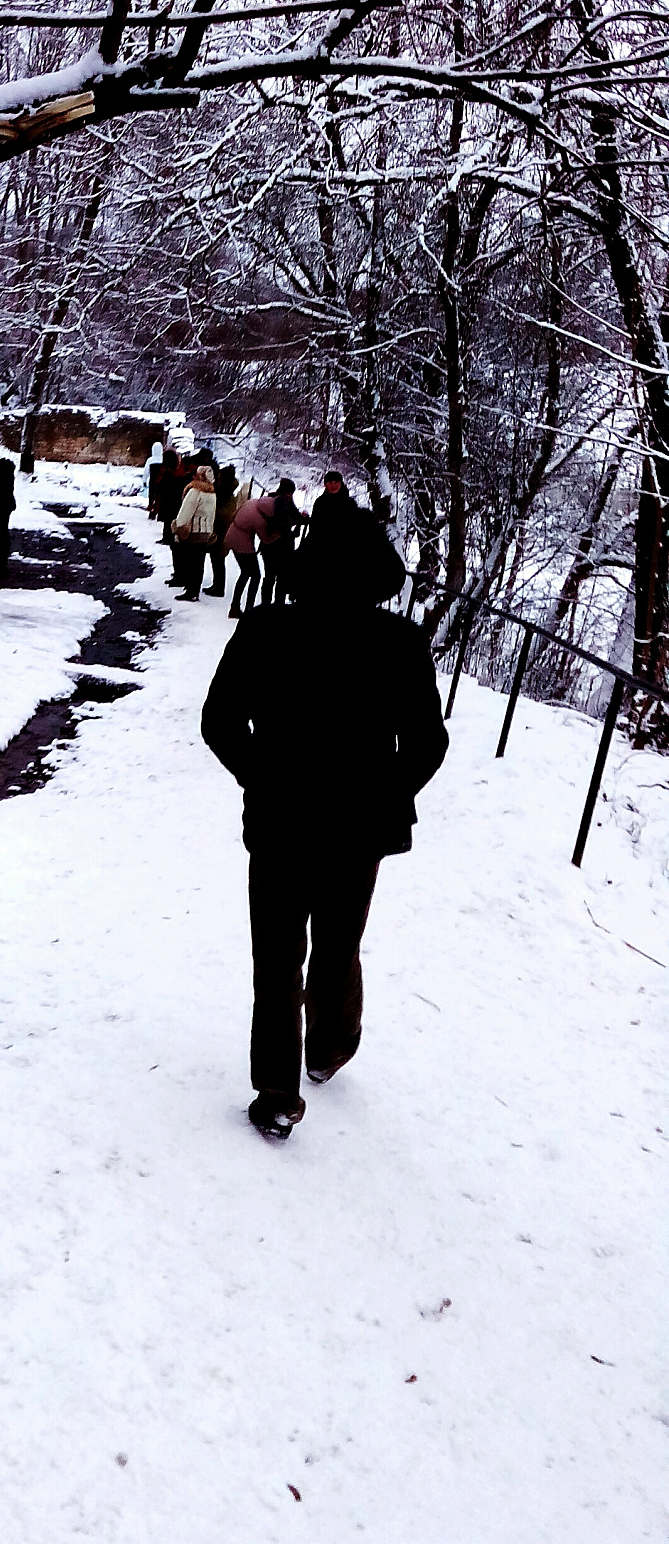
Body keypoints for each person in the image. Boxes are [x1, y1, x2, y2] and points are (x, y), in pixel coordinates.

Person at [200, 508, 450, 1140]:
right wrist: (385, 792)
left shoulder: (265, 629)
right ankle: (330, 1051)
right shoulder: (402, 644)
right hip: (358, 832)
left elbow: (219, 722)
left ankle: (278, 1092)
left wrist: (260, 776)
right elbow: (427, 744)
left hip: (281, 823)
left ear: (306, 565)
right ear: (381, 573)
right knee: (339, 947)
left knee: (277, 957)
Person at [170, 461, 216, 600]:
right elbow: (212, 514)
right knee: (199, 562)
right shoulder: (212, 493)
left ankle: (190, 591)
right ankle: (195, 589)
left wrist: (178, 527)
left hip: (193, 531)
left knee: (190, 561)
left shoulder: (195, 492)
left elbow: (186, 511)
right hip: (205, 531)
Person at [223, 486, 272, 617]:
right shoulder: (260, 520)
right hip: (242, 544)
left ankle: (235, 606)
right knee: (255, 575)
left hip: (231, 536)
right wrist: (278, 533)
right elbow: (266, 539)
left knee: (245, 573)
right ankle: (248, 608)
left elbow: (234, 514)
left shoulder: (252, 502)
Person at [259, 478, 302, 605]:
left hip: (275, 547)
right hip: (277, 546)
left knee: (273, 578)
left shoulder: (286, 502)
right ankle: (274, 605)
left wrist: (300, 519)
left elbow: (294, 516)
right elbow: (280, 521)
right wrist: (295, 522)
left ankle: (269, 605)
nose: (290, 495)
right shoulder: (278, 501)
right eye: (288, 493)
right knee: (276, 578)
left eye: (291, 493)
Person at [207, 465, 239, 597]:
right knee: (216, 559)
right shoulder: (225, 491)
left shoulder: (226, 495)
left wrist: (214, 509)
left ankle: (219, 587)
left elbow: (226, 516)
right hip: (221, 529)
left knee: (218, 558)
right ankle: (217, 585)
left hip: (222, 530)